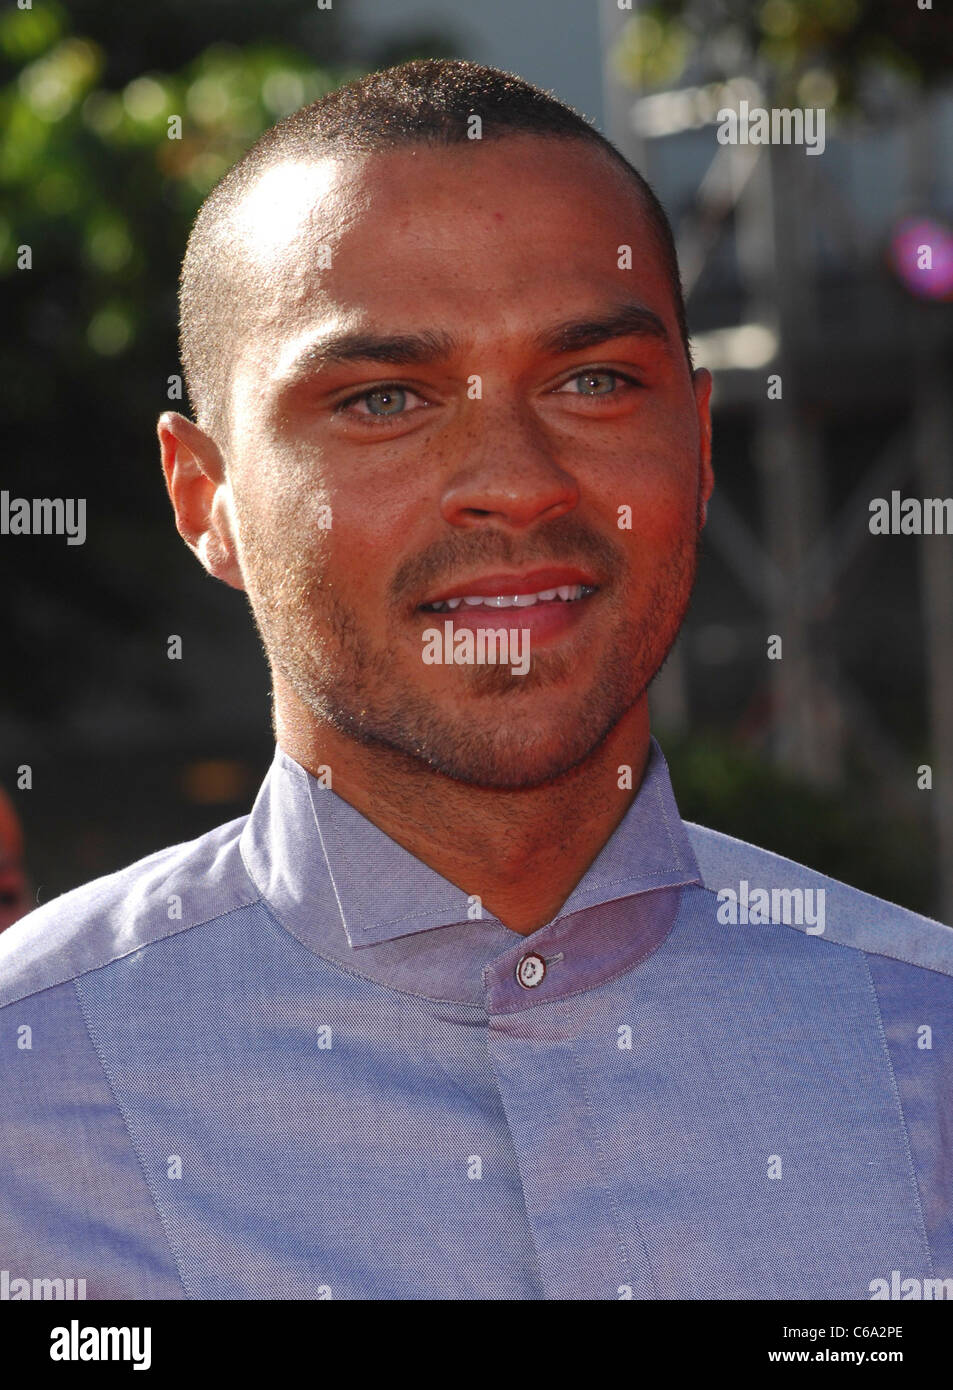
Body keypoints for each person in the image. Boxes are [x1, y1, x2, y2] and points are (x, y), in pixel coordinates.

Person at [1, 60, 950, 1302]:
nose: (516, 477)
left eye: (592, 381)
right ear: (206, 499)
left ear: (701, 443)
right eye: (384, 398)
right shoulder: (31, 1102)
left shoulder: (919, 1051)